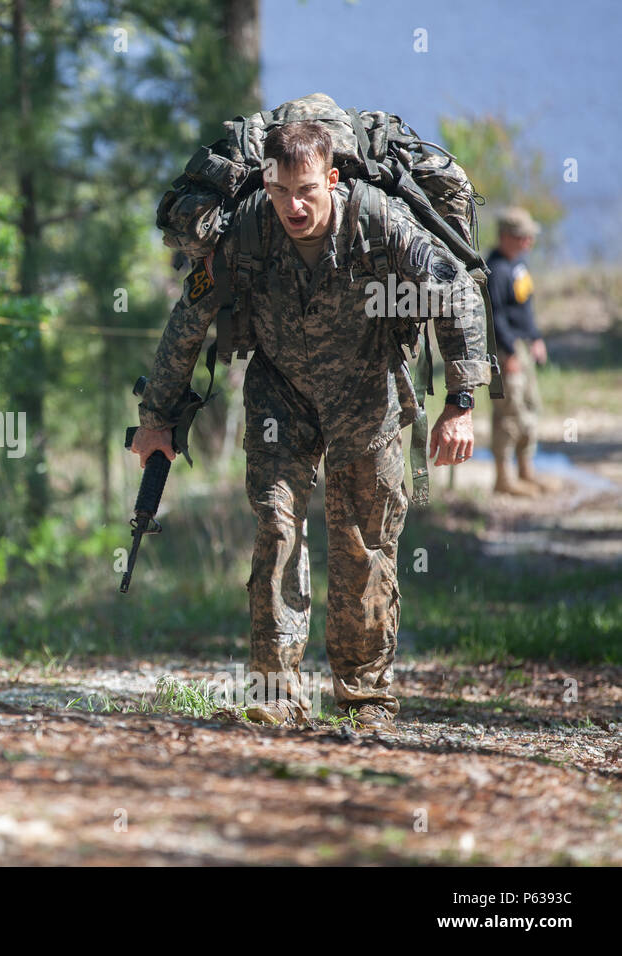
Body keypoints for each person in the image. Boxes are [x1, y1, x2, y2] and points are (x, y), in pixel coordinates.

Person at [130, 121, 492, 734]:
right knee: (276, 526)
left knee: (362, 544)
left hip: (368, 392)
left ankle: (363, 699)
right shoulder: (247, 228)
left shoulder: (378, 223)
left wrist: (460, 401)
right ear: (266, 182)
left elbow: (454, 291)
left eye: (306, 191)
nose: (293, 207)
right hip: (282, 394)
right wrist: (156, 418)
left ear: (330, 178)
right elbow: (189, 318)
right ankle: (275, 693)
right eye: (279, 191)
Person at [488, 207, 548, 495]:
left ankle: (527, 470)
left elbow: (525, 308)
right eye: (523, 237)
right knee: (509, 414)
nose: (529, 243)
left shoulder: (519, 266)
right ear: (507, 237)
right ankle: (504, 478)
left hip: (523, 347)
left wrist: (535, 338)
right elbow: (495, 315)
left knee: (529, 408)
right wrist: (508, 351)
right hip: (505, 351)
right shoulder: (495, 270)